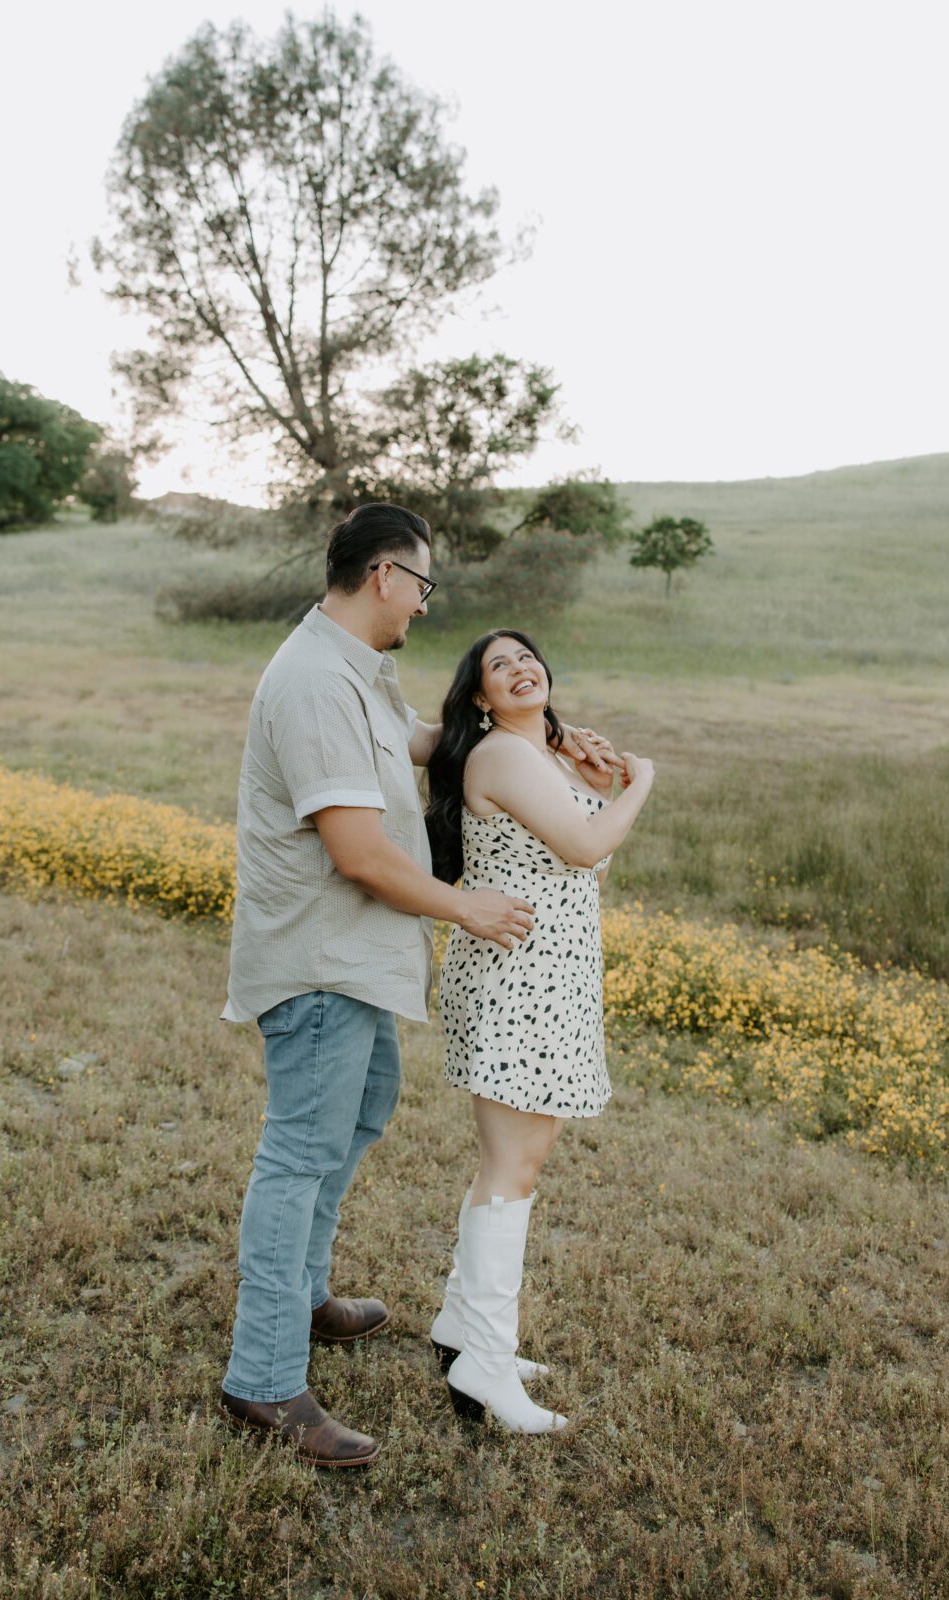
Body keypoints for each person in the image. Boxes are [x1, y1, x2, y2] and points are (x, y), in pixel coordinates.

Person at [217, 506, 612, 1468]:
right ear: (387, 576)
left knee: (358, 1117)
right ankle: (263, 1377)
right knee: (299, 1154)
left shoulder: (355, 668)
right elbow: (356, 852)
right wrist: (465, 906)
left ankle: (306, 1295)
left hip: (359, 957)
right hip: (319, 957)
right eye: (423, 587)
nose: (425, 608)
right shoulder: (316, 682)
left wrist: (546, 740)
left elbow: (426, 741)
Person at [424, 629, 655, 1433]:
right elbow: (589, 844)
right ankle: (486, 1363)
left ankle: (463, 1326)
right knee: (512, 1165)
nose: (520, 668)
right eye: (500, 666)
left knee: (512, 1161)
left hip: (547, 979)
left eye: (527, 657)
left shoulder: (538, 757)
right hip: (520, 981)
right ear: (480, 697)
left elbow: (585, 860)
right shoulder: (503, 756)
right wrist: (641, 783)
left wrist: (592, 781)